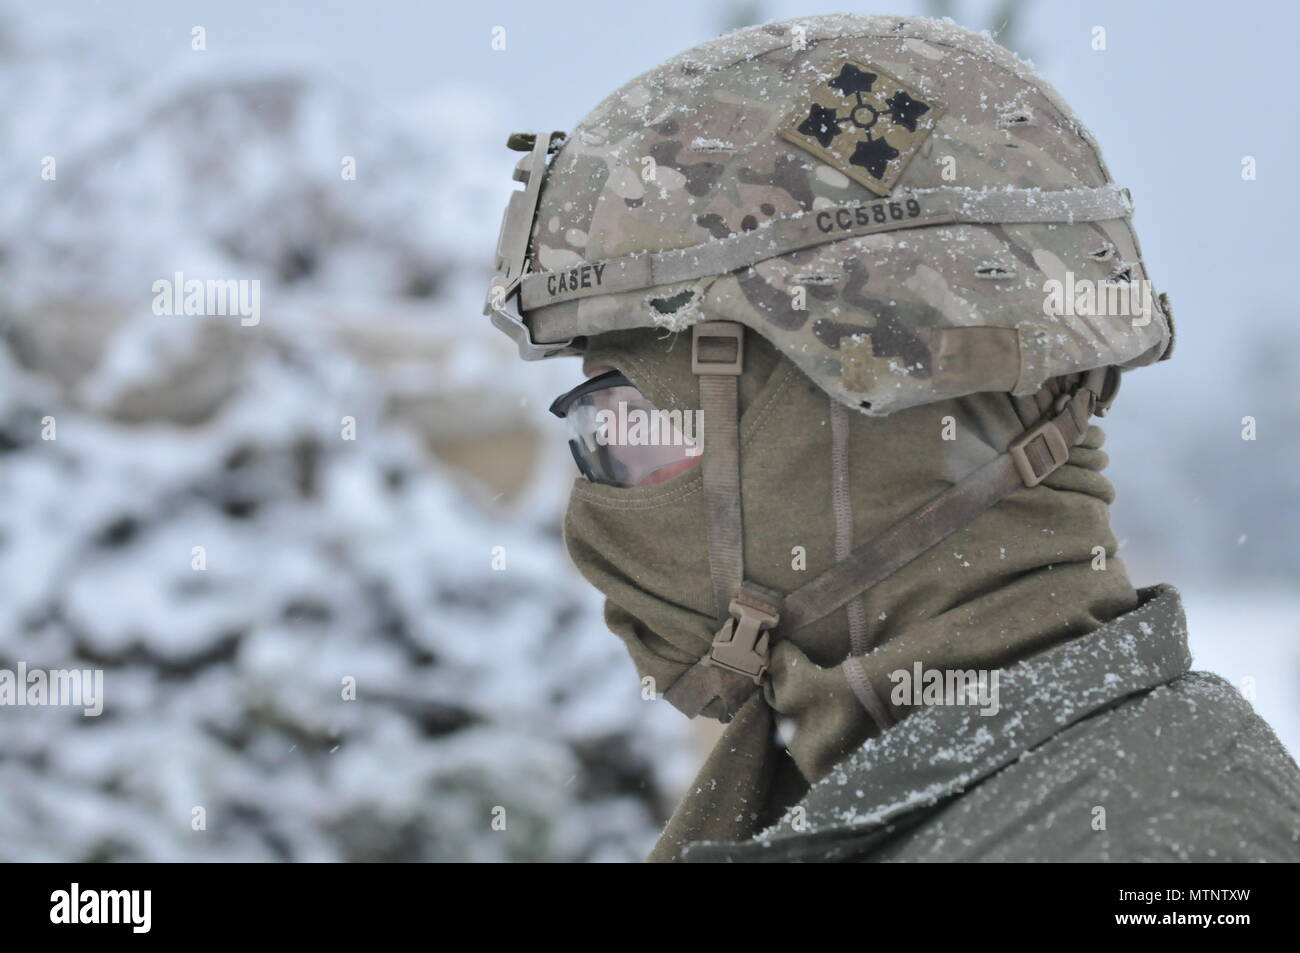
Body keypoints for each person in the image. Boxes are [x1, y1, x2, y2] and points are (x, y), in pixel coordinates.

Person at [485, 14, 1300, 862]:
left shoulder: (1162, 849)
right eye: (593, 437)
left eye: (632, 422)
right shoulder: (904, 798)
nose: (596, 503)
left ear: (862, 405)